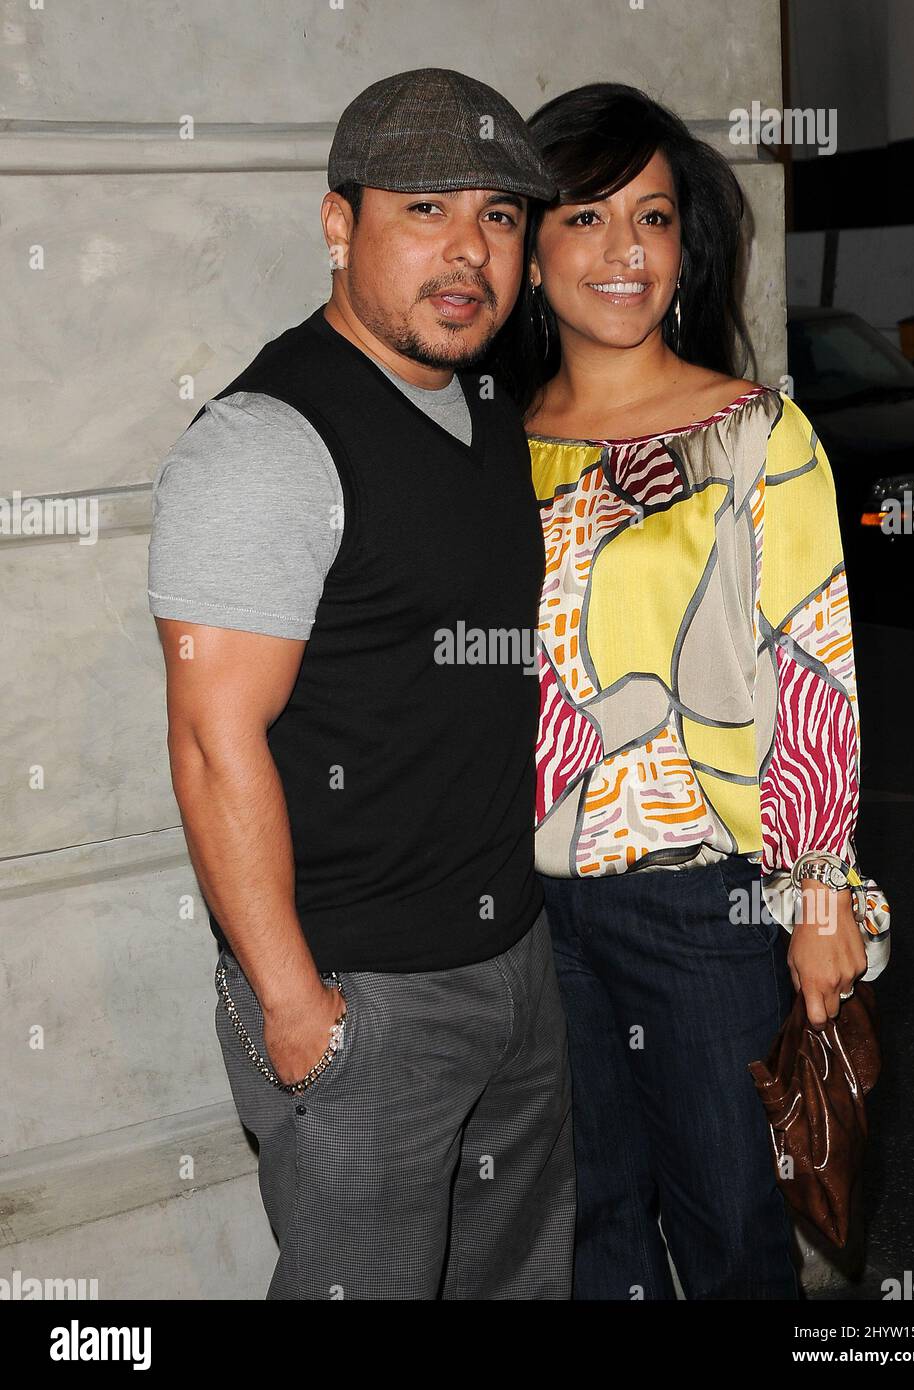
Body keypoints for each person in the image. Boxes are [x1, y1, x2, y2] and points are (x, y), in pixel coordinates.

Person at [147, 68, 575, 1300]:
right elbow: (211, 742)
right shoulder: (264, 443)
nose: (468, 254)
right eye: (423, 211)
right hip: (365, 1000)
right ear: (338, 226)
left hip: (513, 966)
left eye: (497, 218)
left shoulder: (483, 396)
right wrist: (296, 1007)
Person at [488, 82, 890, 1300]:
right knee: (590, 1223)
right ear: (531, 244)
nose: (623, 252)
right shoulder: (488, 438)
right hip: (529, 912)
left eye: (652, 219)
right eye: (585, 217)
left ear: (684, 244)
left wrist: (820, 892)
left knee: (730, 1228)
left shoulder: (751, 432)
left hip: (702, 908)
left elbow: (810, 663)